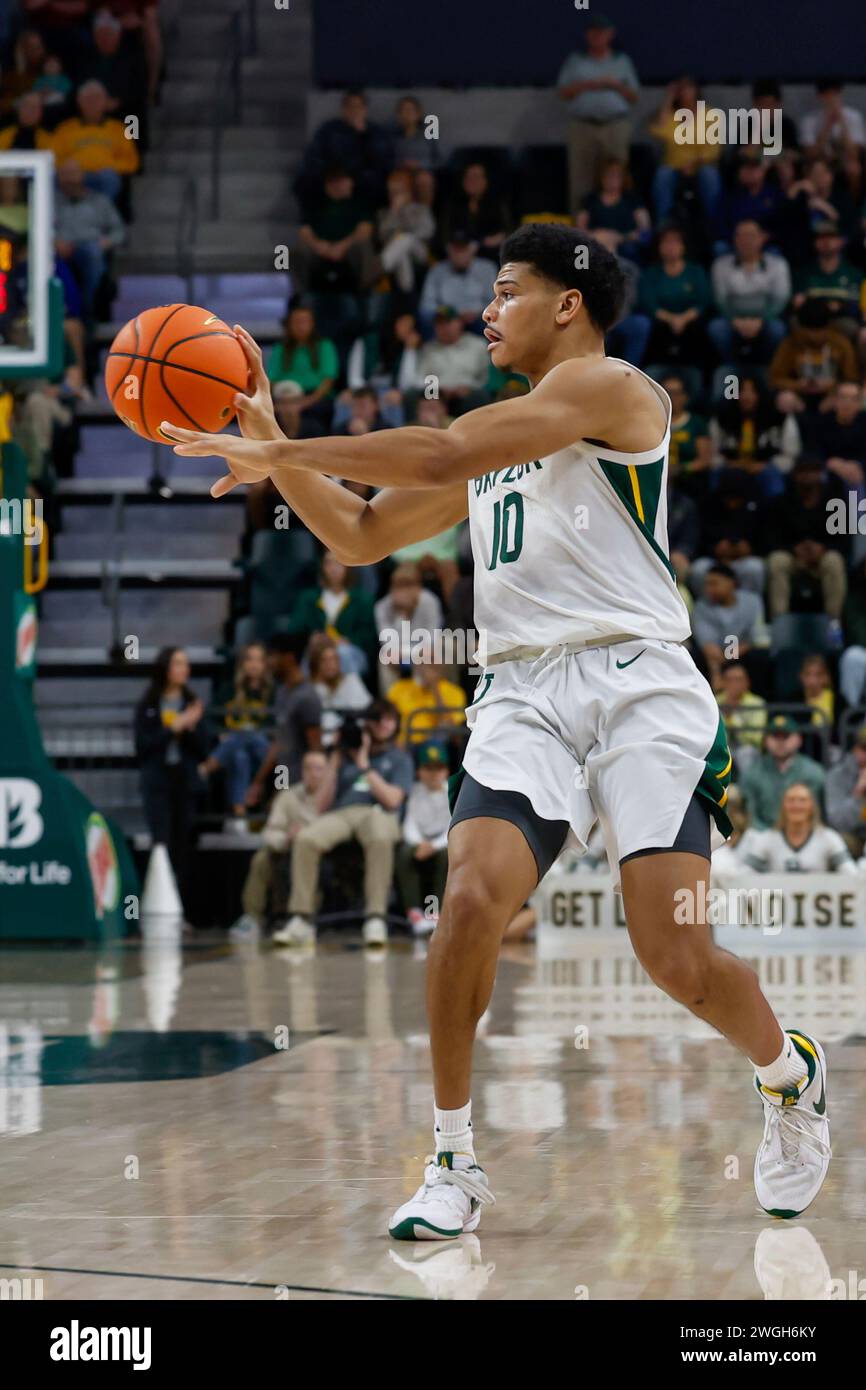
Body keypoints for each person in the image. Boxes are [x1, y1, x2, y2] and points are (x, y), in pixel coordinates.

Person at [164, 224, 832, 1236]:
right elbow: (356, 533)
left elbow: (440, 446)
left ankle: (787, 1075)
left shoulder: (611, 388)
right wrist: (274, 444)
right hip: (521, 690)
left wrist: (279, 446)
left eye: (505, 291)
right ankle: (451, 1158)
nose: (485, 310)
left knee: (675, 956)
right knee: (467, 901)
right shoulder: (502, 434)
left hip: (639, 686)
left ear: (567, 303)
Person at [274, 699, 414, 947]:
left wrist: (364, 765)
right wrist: (335, 760)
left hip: (378, 813)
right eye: (377, 719)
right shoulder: (343, 756)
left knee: (380, 836)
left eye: (389, 719)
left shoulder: (399, 758)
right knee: (306, 838)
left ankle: (375, 917)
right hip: (342, 814)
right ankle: (302, 919)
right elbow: (320, 805)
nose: (383, 724)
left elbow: (393, 801)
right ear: (367, 724)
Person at [134, 647, 210, 914]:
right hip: (157, 780)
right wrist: (172, 729)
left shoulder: (193, 705)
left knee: (183, 842)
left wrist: (190, 727)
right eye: (178, 663)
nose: (184, 669)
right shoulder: (148, 706)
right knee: (161, 839)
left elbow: (203, 750)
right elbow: (143, 747)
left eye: (186, 664)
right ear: (165, 668)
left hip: (184, 780)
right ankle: (155, 905)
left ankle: (183, 908)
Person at [230, 749, 328, 942]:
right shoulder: (287, 793)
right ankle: (252, 918)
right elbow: (270, 832)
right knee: (262, 858)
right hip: (287, 849)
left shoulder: (336, 797)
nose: (313, 773)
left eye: (318, 768)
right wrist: (285, 839)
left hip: (320, 852)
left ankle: (304, 919)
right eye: (308, 768)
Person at [556, 13, 639, 217]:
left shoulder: (621, 61)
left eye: (601, 32)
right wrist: (589, 84)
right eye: (593, 32)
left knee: (616, 177)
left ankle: (619, 222)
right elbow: (563, 92)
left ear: (610, 35)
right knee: (581, 181)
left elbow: (634, 96)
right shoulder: (576, 61)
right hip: (583, 125)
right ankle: (579, 231)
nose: (597, 36)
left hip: (615, 125)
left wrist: (614, 85)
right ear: (587, 35)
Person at [198, 642, 274, 827]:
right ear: (242, 664)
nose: (254, 665)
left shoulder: (273, 692)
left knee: (247, 733)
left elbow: (275, 729)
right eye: (249, 659)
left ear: (265, 665)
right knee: (239, 756)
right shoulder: (228, 690)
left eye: (259, 660)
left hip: (266, 752)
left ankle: (209, 766)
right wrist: (221, 734)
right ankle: (240, 813)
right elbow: (209, 719)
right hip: (235, 750)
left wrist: (234, 737)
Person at [245, 633, 322, 811]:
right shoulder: (282, 693)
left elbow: (316, 749)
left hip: (301, 785)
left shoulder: (307, 697)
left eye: (272, 656)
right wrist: (259, 782)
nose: (269, 662)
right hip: (283, 775)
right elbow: (280, 742)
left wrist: (313, 791)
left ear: (288, 658)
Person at [709, 219, 790, 365]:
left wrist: (761, 320)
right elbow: (720, 299)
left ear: (762, 237)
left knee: (777, 329)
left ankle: (769, 366)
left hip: (766, 317)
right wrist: (735, 319)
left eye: (751, 235)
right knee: (717, 328)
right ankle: (732, 366)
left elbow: (780, 298)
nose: (746, 240)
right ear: (734, 239)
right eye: (741, 235)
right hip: (732, 318)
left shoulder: (777, 264)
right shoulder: (721, 265)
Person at [649, 77, 723, 225]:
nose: (685, 93)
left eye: (689, 88)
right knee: (662, 175)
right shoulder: (671, 114)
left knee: (710, 176)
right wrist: (669, 98)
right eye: (681, 89)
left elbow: (714, 149)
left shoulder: (710, 114)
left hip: (701, 165)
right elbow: (659, 131)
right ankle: (663, 225)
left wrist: (694, 163)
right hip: (674, 166)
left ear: (696, 91)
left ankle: (714, 225)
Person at [51, 80, 140, 202]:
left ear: (105, 102)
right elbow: (54, 158)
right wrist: (71, 169)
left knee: (109, 177)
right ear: (79, 102)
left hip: (103, 177)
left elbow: (132, 162)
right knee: (51, 178)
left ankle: (100, 213)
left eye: (97, 98)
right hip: (73, 177)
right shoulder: (65, 128)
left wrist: (107, 165)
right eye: (87, 98)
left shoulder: (120, 128)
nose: (92, 102)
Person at [396, 742, 451, 936]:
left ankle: (433, 911)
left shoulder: (452, 793)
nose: (433, 774)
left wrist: (433, 846)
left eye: (438, 768)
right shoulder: (415, 792)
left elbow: (451, 829)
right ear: (419, 771)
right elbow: (409, 824)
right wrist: (420, 844)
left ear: (445, 771)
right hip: (420, 841)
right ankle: (414, 912)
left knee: (444, 858)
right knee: (404, 854)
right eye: (428, 768)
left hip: (441, 843)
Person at [740, 783, 856, 874]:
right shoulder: (767, 839)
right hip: (779, 903)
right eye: (791, 800)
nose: (796, 805)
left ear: (812, 806)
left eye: (802, 800)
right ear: (783, 805)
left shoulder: (828, 838)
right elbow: (744, 876)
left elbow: (850, 874)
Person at [639, 225, 712, 368]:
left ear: (683, 246)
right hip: (660, 324)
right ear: (659, 247)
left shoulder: (695, 271)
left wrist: (684, 318)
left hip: (692, 323)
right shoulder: (651, 273)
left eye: (675, 242)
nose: (670, 247)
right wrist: (671, 319)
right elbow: (648, 303)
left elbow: (703, 301)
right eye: (666, 242)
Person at [691, 562, 769, 692]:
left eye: (714, 583)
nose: (709, 589)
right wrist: (717, 674)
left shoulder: (752, 601)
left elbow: (757, 636)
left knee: (760, 655)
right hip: (714, 658)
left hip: (742, 652)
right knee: (695, 656)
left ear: (731, 583)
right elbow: (709, 646)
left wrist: (731, 655)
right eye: (707, 584)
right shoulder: (701, 607)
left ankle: (759, 699)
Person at [741, 715, 826, 830]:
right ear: (766, 740)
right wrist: (769, 835)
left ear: (799, 739)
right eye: (775, 736)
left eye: (786, 736)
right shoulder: (752, 772)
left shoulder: (814, 772)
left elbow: (818, 815)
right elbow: (749, 814)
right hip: (762, 837)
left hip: (804, 834)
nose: (780, 742)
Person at [266, 304, 340, 424]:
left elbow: (328, 382)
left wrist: (305, 402)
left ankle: (289, 441)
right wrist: (283, 402)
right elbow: (272, 381)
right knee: (284, 410)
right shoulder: (280, 349)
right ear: (289, 325)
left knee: (292, 412)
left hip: (315, 397)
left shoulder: (325, 346)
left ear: (313, 324)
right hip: (285, 395)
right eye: (297, 322)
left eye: (305, 321)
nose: (301, 326)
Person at [418, 234, 498, 335]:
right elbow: (426, 305)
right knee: (426, 317)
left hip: (479, 318)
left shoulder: (487, 268)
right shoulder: (437, 270)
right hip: (447, 318)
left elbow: (495, 301)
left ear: (473, 248)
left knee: (495, 318)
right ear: (448, 250)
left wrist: (477, 312)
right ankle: (434, 350)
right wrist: (450, 314)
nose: (460, 254)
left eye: (463, 249)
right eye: (456, 250)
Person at [387, 661, 467, 744]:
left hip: (435, 744)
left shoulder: (455, 692)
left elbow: (454, 733)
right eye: (422, 662)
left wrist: (434, 687)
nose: (425, 668)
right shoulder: (399, 687)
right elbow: (387, 719)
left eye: (431, 663)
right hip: (403, 744)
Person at [825, 727, 866, 856]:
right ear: (856, 750)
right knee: (837, 841)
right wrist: (858, 792)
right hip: (855, 837)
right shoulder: (837, 775)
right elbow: (838, 822)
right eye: (865, 749)